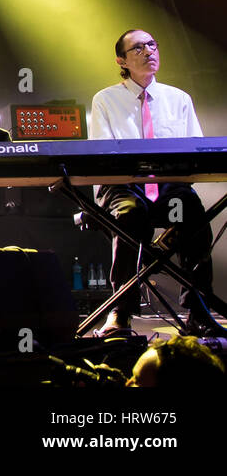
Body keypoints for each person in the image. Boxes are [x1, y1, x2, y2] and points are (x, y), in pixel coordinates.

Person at [90, 28, 222, 338]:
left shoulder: (179, 99)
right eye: (138, 48)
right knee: (131, 216)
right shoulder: (106, 100)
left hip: (167, 186)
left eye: (152, 44)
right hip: (122, 185)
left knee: (192, 213)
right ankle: (120, 311)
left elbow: (197, 151)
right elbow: (101, 157)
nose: (149, 51)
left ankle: (197, 310)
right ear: (121, 60)